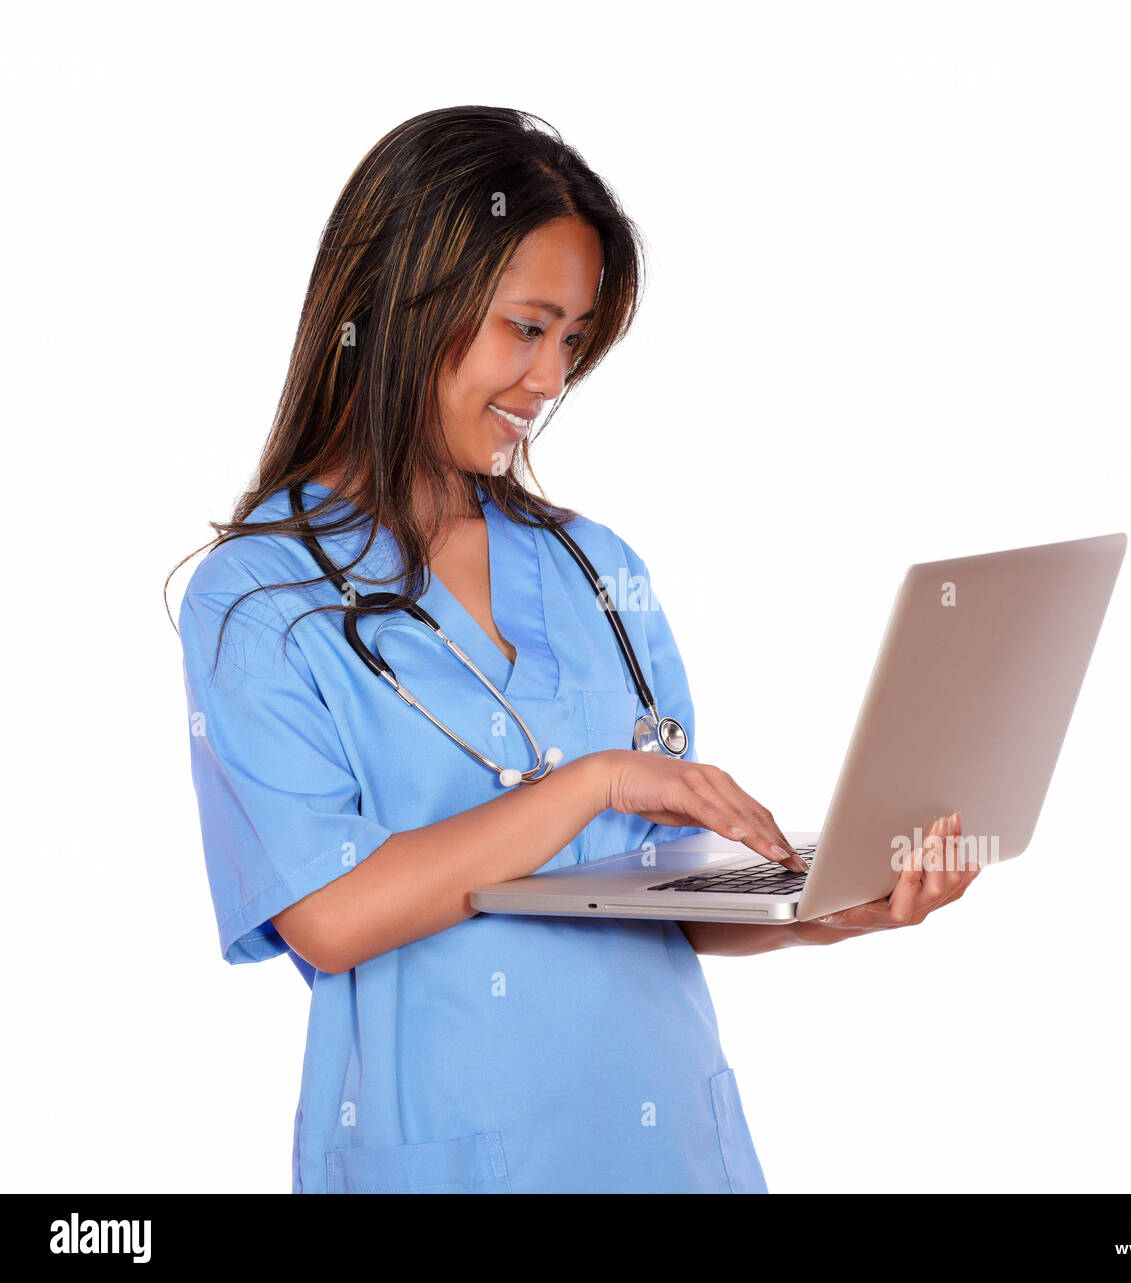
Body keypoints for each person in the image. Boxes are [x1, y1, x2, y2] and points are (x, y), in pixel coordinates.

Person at [170, 106, 978, 1195]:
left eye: (571, 339)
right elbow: (332, 911)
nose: (548, 379)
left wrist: (822, 907)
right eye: (525, 326)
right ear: (401, 299)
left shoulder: (596, 569)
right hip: (451, 1156)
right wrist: (596, 777)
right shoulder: (258, 597)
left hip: (672, 1150)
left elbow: (654, 891)